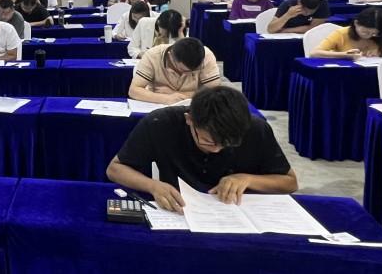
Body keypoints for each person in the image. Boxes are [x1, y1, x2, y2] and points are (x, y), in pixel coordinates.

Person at [107, 85, 297, 212]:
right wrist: (152, 186)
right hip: (180, 210)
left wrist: (247, 179)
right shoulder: (160, 123)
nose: (216, 150)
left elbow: (289, 183)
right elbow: (115, 169)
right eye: (208, 141)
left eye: (227, 143)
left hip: (235, 211)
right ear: (189, 120)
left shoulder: (255, 129)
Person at [129, 36, 222, 104]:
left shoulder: (206, 56)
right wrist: (165, 98)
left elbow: (214, 92)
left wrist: (175, 94)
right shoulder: (152, 56)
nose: (188, 73)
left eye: (194, 71)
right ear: (171, 56)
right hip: (158, 107)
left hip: (194, 107)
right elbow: (133, 90)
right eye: (184, 70)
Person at [308, 7, 382, 58]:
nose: (369, 36)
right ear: (356, 23)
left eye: (374, 34)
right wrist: (344, 55)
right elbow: (314, 53)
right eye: (365, 32)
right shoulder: (341, 34)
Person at [267, 0, 331, 33]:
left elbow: (313, 29)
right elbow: (270, 29)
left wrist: (285, 30)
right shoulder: (288, 4)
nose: (307, 14)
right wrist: (287, 15)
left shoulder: (322, 4)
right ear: (299, 2)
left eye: (310, 12)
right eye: (304, 10)